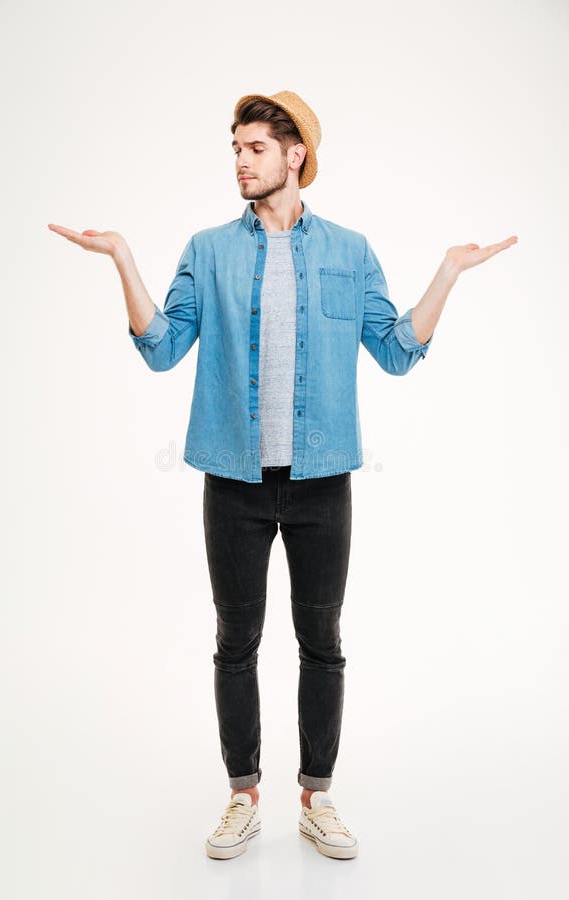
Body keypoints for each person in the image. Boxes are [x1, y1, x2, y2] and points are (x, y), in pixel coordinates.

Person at [48, 90, 518, 861]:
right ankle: (242, 796)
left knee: (321, 641)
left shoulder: (350, 251)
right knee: (236, 642)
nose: (240, 162)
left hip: (322, 483)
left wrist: (448, 273)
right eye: (235, 149)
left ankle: (316, 798)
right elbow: (162, 348)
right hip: (232, 480)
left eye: (255, 148)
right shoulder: (207, 250)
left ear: (295, 155)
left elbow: (397, 352)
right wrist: (123, 258)